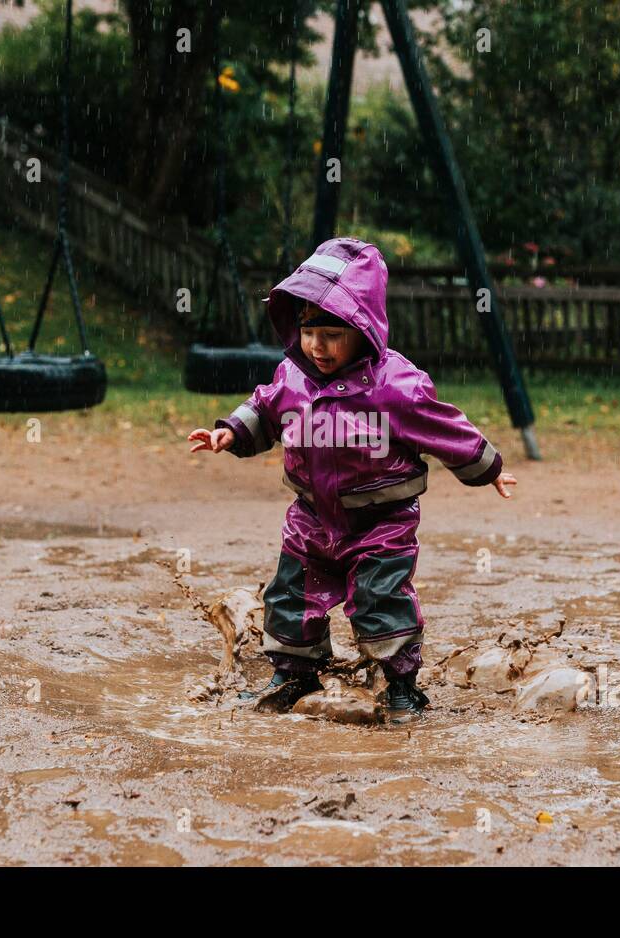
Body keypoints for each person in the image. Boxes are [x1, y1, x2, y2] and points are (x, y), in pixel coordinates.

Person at [188, 238, 516, 720]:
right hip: (312, 519)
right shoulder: (292, 378)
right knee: (289, 595)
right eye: (308, 332)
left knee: (381, 600)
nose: (317, 347)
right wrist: (231, 433)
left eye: (332, 335)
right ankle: (294, 674)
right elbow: (263, 407)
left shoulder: (396, 386)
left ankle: (399, 682)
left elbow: (446, 427)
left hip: (382, 524)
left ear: (363, 329)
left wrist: (488, 468)